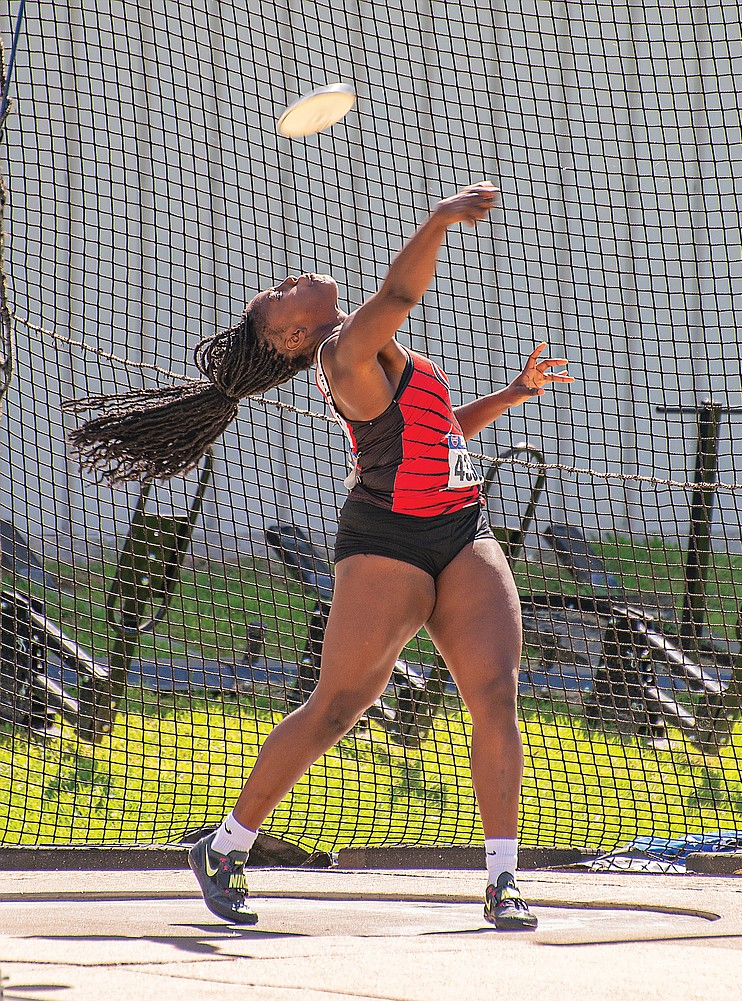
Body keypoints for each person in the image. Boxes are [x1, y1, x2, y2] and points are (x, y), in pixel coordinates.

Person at [65, 181, 574, 930]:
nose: (288, 281)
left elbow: (442, 434)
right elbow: (402, 288)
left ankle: (503, 880)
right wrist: (438, 217)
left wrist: (510, 393)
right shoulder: (342, 354)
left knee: (495, 695)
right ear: (290, 338)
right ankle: (226, 845)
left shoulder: (363, 349)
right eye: (277, 295)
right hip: (388, 541)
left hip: (463, 533)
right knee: (338, 707)